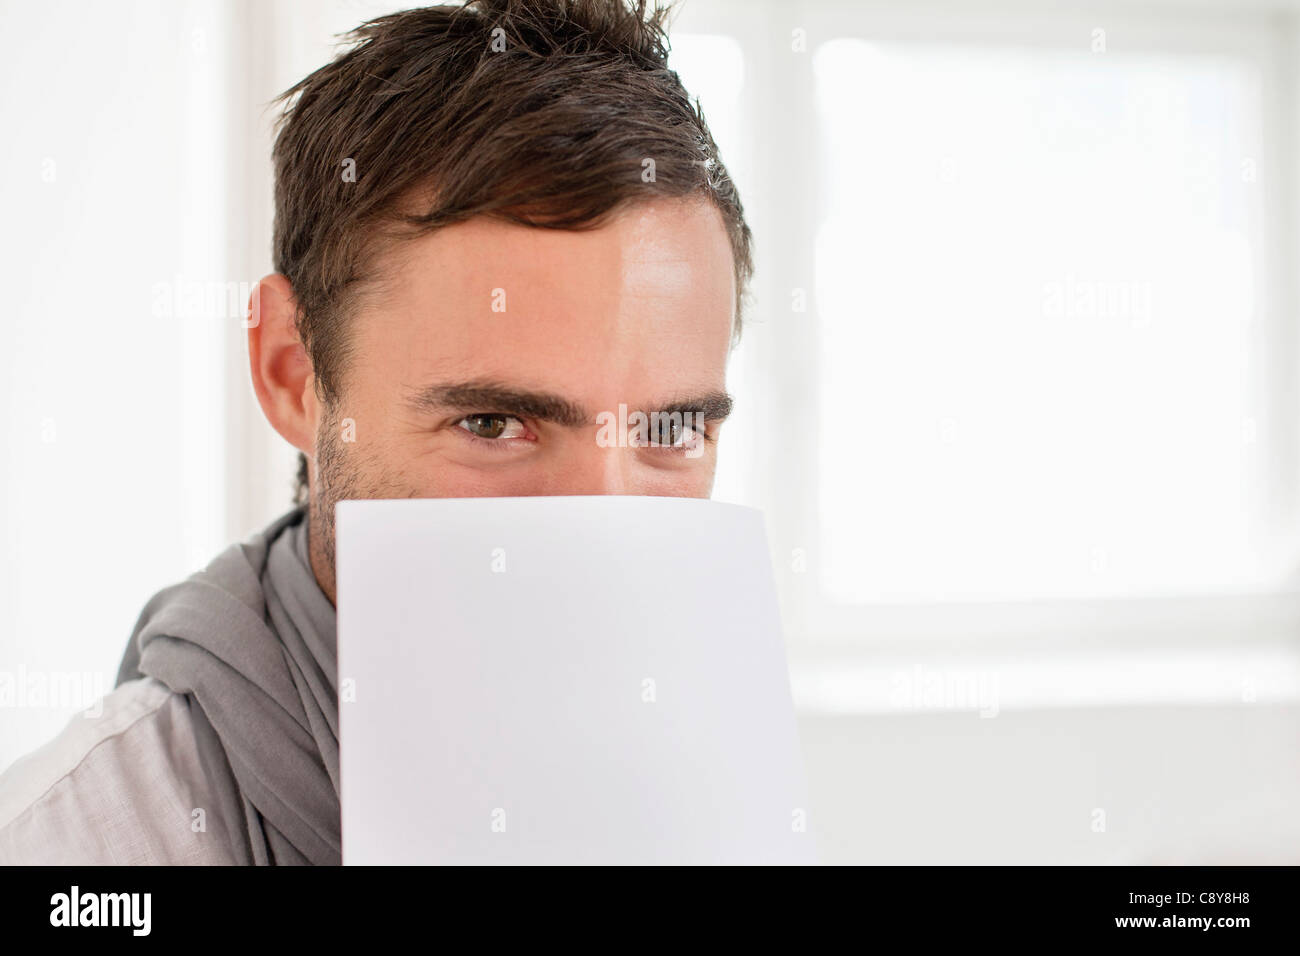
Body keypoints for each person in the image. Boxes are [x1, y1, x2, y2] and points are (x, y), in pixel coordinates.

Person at [0, 0, 751, 864]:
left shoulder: (729, 804)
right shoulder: (71, 848)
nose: (601, 535)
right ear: (293, 373)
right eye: (492, 422)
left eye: (667, 428)